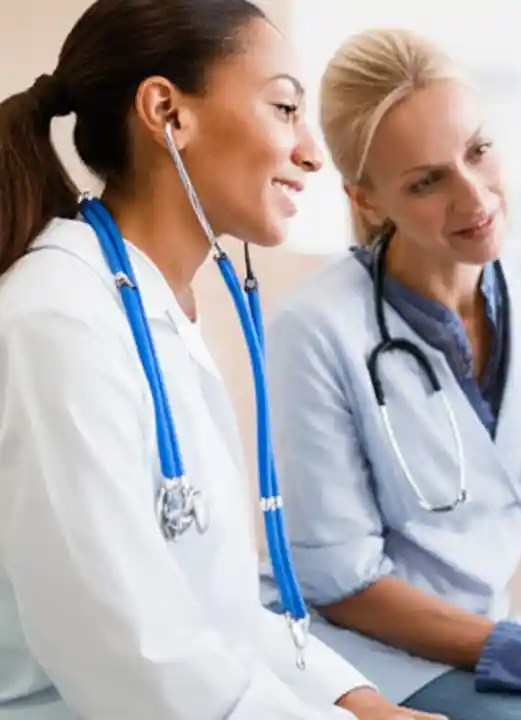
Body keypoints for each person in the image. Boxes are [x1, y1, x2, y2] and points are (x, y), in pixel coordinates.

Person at [0, 2, 444, 718]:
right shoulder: (57, 320)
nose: (310, 153)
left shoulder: (154, 311)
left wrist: (368, 707)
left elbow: (218, 618)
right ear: (167, 113)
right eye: (283, 108)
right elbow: (131, 656)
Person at [263, 28, 521, 720]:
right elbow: (341, 583)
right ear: (367, 198)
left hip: (489, 640)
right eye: (428, 181)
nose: (475, 198)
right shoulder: (314, 328)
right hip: (366, 661)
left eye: (478, 152)